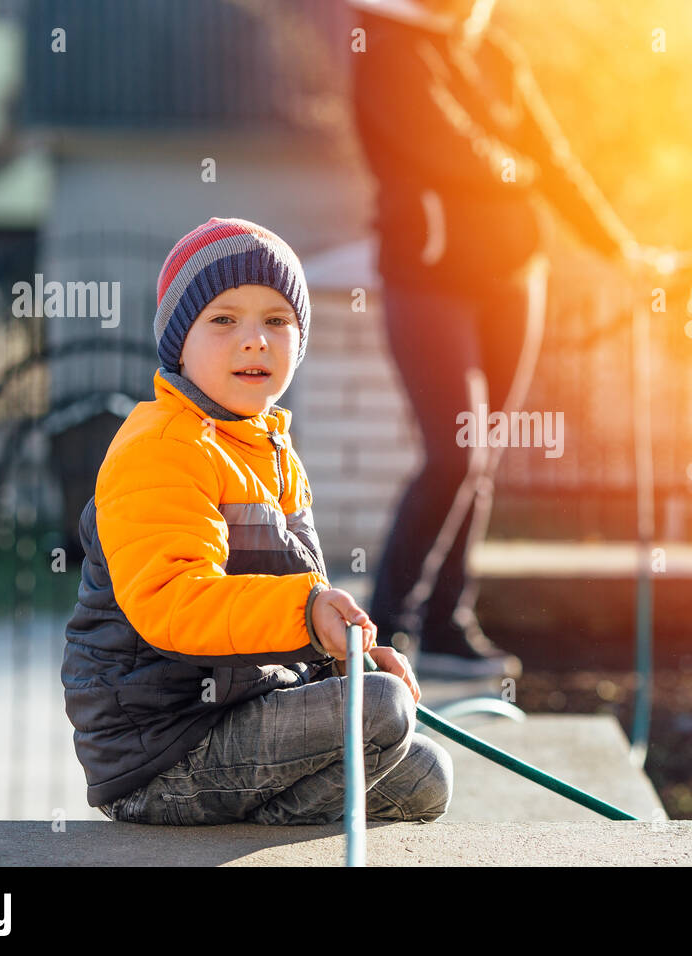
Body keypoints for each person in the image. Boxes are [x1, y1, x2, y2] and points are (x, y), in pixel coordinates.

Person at [61, 217, 453, 825]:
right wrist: (306, 611)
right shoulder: (163, 446)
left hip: (240, 715)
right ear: (177, 343)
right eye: (223, 319)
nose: (255, 340)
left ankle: (264, 818)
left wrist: (345, 654)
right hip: (164, 751)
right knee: (381, 712)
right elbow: (175, 603)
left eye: (277, 320)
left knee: (426, 777)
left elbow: (282, 614)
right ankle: (251, 834)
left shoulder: (271, 452)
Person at [349, 0, 659, 679]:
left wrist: (620, 249)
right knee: (455, 451)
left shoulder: (494, 54)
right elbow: (448, 148)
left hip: (515, 281)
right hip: (429, 281)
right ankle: (387, 628)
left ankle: (447, 627)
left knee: (481, 458)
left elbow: (553, 156)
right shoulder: (384, 47)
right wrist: (518, 170)